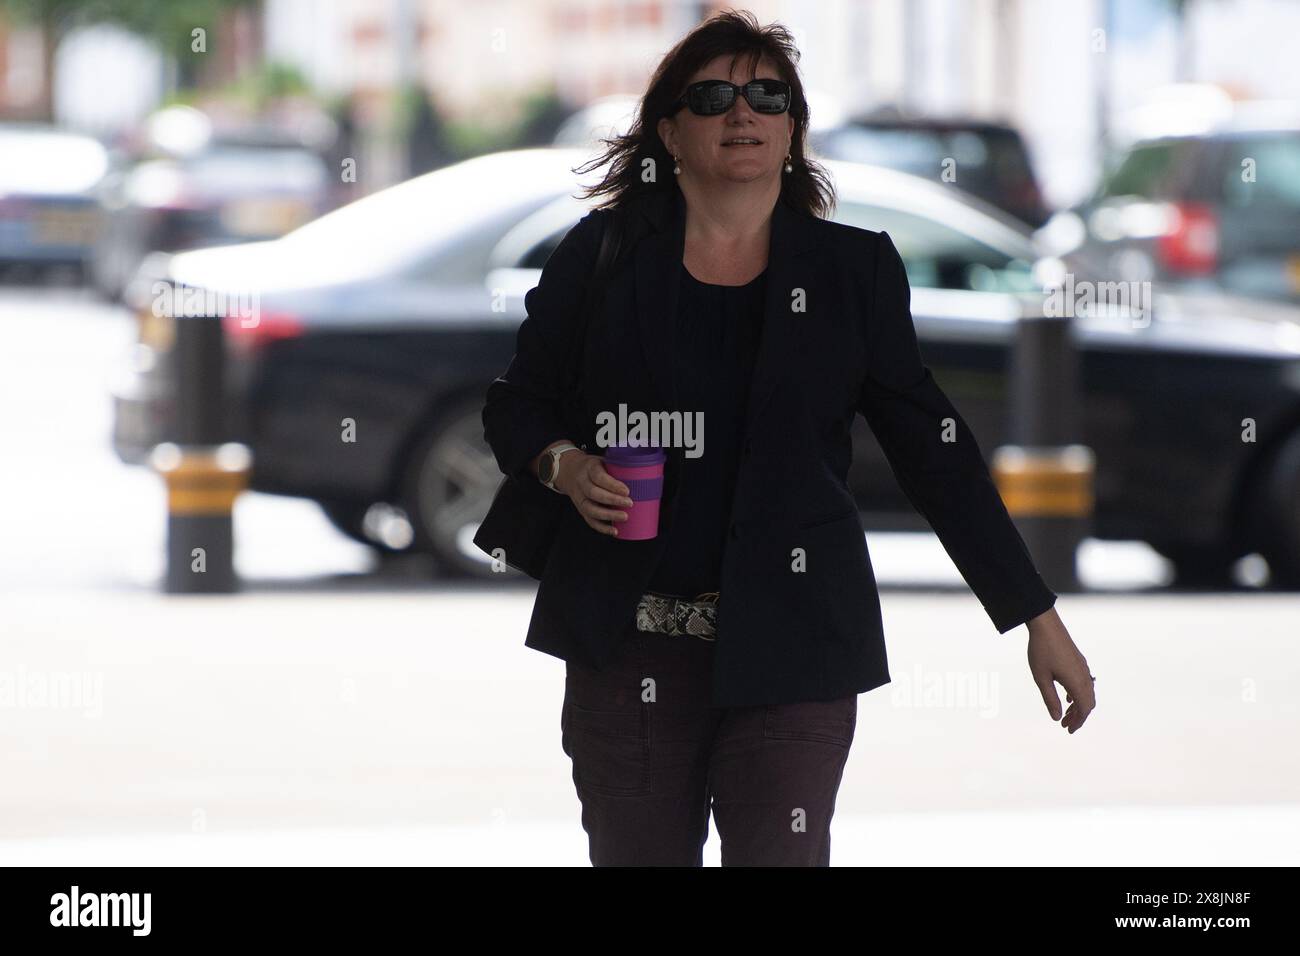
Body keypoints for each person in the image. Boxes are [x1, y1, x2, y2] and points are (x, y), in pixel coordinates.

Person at [481, 10, 1096, 867]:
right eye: (715, 96)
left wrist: (1036, 616)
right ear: (671, 130)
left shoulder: (855, 272)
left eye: (768, 95)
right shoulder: (602, 256)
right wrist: (565, 464)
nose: (745, 113)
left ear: (794, 128)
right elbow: (516, 404)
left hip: (796, 643)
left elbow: (936, 453)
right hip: (629, 643)